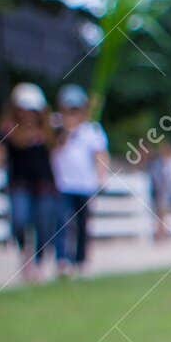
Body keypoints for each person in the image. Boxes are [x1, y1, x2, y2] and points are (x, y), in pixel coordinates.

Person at [0, 83, 59, 282]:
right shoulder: (8, 131)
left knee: (45, 225)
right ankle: (26, 256)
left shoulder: (50, 130)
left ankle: (39, 262)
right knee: (19, 220)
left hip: (45, 185)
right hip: (19, 184)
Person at [51, 85, 109, 276]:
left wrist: (102, 176)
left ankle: (80, 260)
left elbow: (101, 155)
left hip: (85, 185)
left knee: (82, 224)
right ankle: (62, 260)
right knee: (61, 222)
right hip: (61, 184)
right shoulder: (56, 127)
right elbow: (53, 149)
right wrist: (66, 130)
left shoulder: (92, 130)